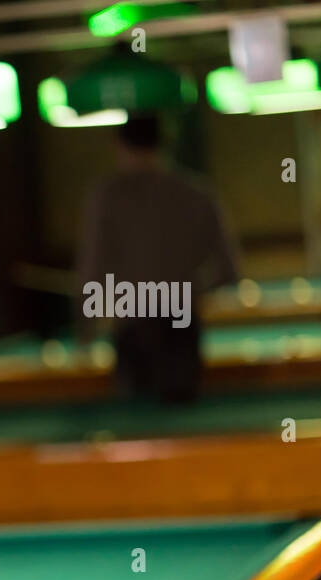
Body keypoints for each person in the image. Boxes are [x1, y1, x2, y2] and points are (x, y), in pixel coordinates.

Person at [77, 114, 239, 403]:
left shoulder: (106, 197)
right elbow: (229, 271)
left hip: (133, 326)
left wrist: (85, 331)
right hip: (182, 327)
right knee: (184, 431)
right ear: (165, 145)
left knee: (137, 435)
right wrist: (188, 292)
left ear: (119, 147)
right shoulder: (198, 194)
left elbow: (93, 268)